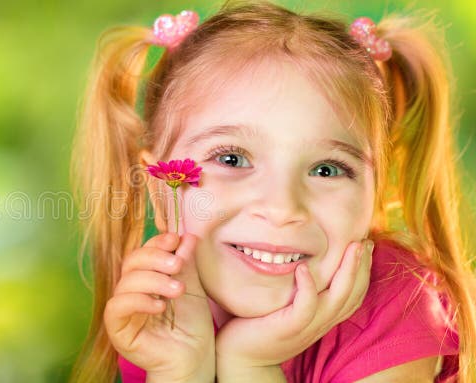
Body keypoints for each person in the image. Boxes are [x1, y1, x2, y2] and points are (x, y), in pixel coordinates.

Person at [67, 1, 476, 382]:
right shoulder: (159, 312)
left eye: (327, 169)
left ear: (376, 194)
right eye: (231, 159)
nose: (282, 208)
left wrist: (249, 364)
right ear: (161, 188)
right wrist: (180, 370)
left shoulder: (397, 308)